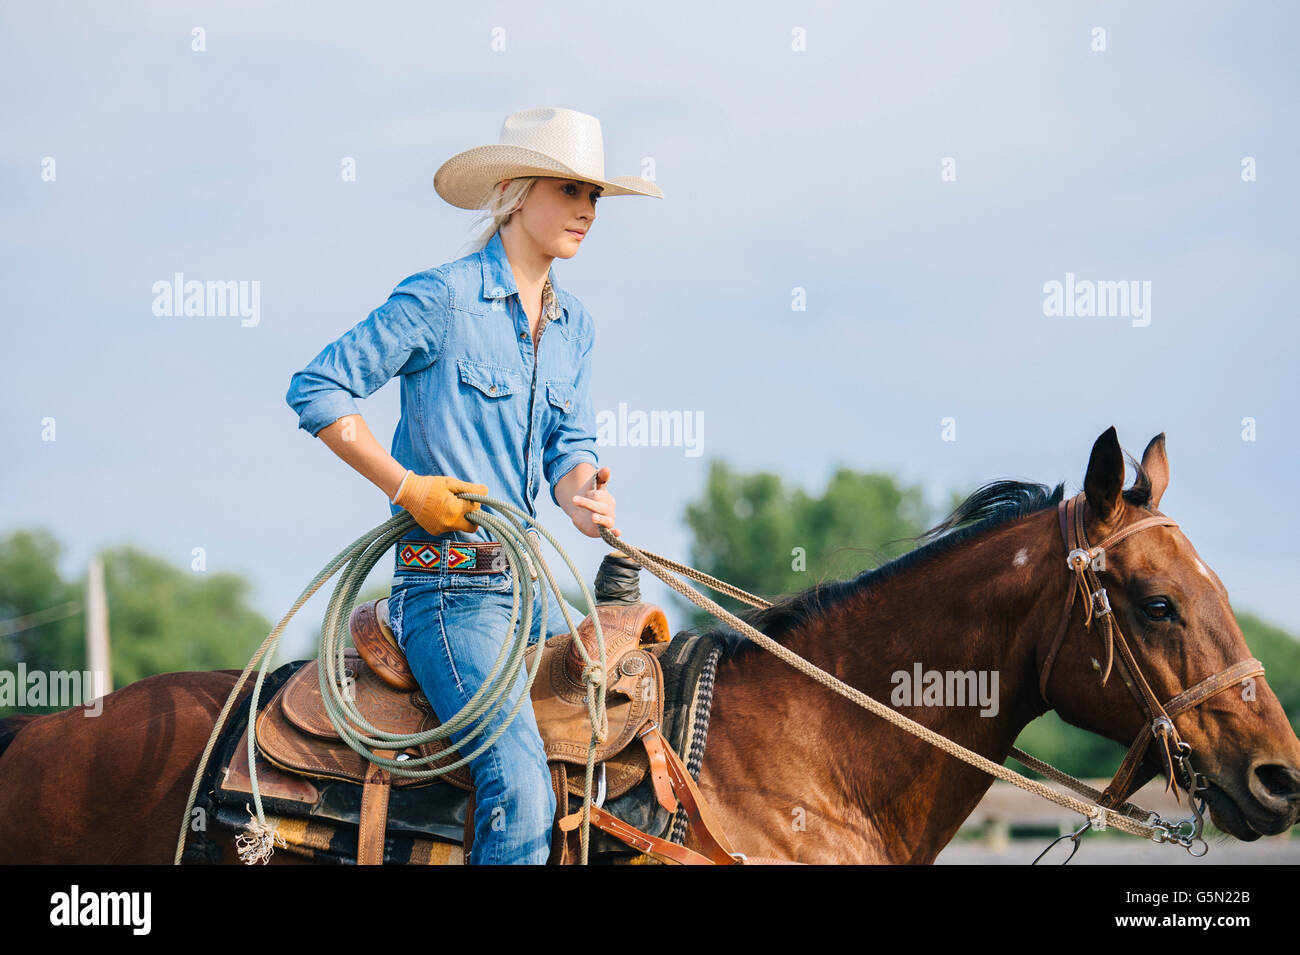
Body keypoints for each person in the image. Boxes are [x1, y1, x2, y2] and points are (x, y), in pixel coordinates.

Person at [285, 106, 663, 864]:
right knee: (521, 792)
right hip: (448, 594)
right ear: (517, 190)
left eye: (596, 197)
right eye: (570, 189)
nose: (588, 210)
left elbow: (569, 447)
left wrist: (585, 496)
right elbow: (318, 388)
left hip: (529, 599)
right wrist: (410, 489)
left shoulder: (574, 325)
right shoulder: (442, 298)